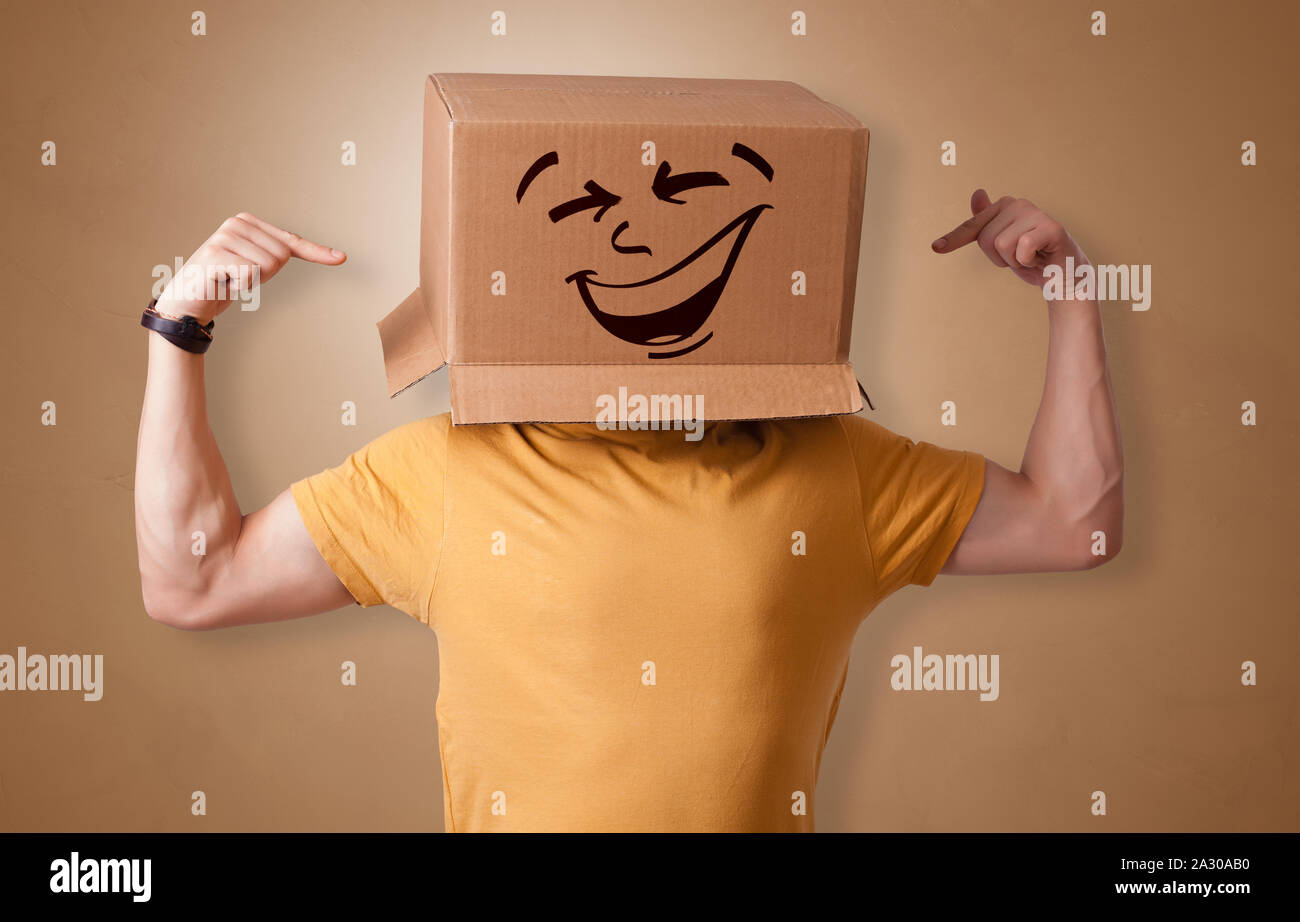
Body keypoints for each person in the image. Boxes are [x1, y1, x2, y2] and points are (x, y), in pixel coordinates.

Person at [134, 189, 1123, 832]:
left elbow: (1073, 522)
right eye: (584, 206)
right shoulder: (444, 472)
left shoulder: (835, 468)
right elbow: (193, 579)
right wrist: (179, 326)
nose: (635, 236)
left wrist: (1071, 292)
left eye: (688, 203)